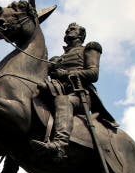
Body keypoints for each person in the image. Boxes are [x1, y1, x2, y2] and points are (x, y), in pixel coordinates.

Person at [31, 22, 117, 161]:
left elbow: (93, 73)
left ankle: (61, 143)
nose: (68, 31)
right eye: (67, 29)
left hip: (79, 95)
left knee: (63, 101)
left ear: (81, 34)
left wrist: (66, 74)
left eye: (72, 29)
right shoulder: (59, 58)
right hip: (56, 89)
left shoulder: (89, 48)